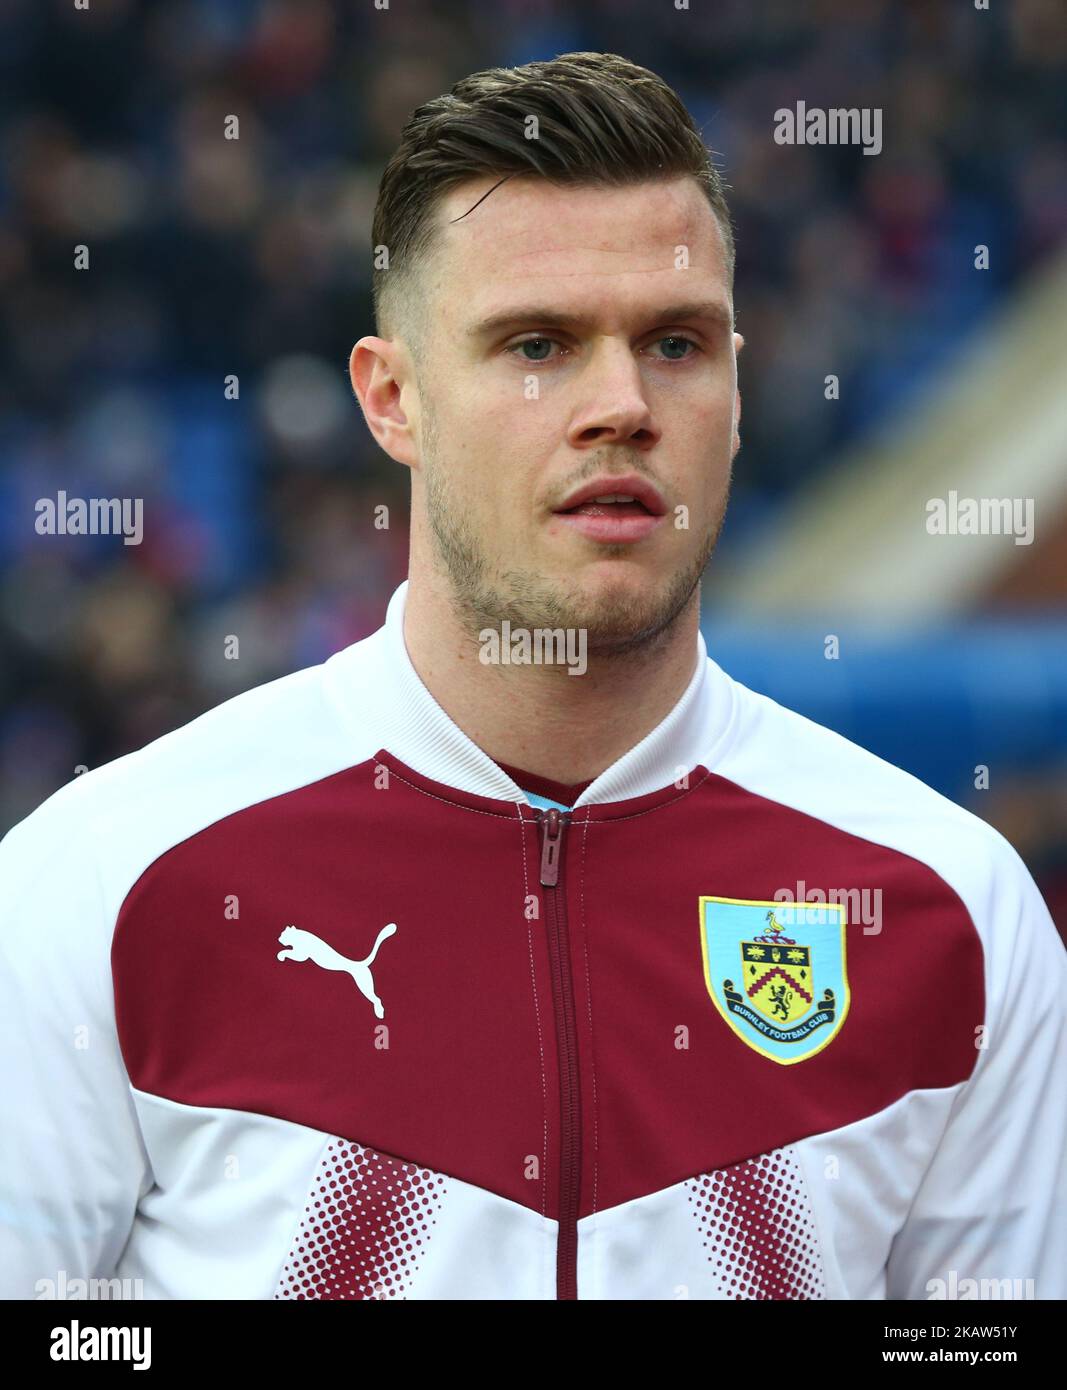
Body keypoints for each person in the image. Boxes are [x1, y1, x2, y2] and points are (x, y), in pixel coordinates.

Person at [2, 51, 1064, 1302]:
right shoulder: (99, 883)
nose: (619, 404)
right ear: (392, 400)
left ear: (734, 390)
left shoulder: (953, 912)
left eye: (673, 342)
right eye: (537, 345)